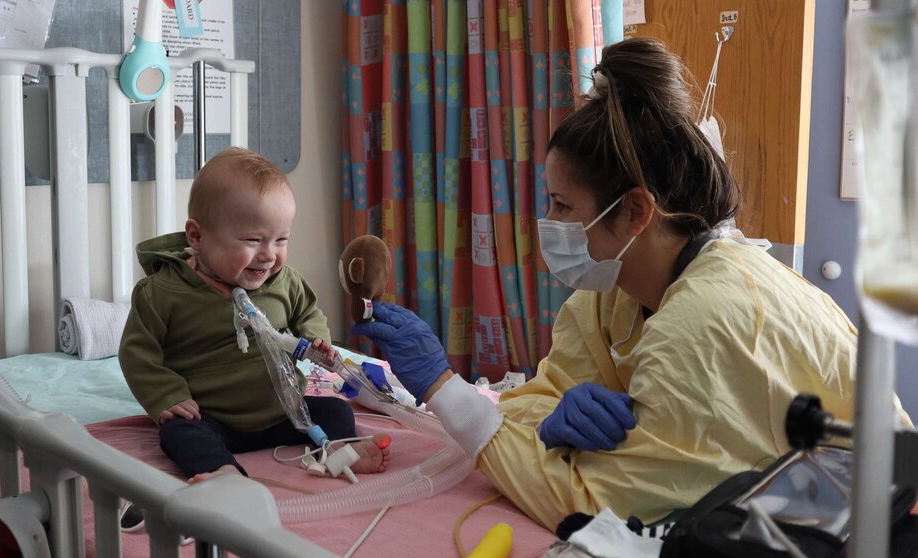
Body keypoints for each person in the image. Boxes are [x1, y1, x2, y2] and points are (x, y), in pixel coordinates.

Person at [351, 37, 912, 530]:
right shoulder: (614, 296)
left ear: (636, 212)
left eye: (562, 205)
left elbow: (595, 507)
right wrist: (551, 418)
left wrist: (445, 389)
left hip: (860, 525)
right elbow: (539, 394)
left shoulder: (708, 316)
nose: (546, 223)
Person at [119, 147, 390, 484]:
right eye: (253, 240)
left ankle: (338, 450)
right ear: (197, 236)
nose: (269, 255)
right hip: (212, 416)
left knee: (334, 409)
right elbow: (137, 353)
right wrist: (167, 396)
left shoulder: (284, 281)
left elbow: (308, 310)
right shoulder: (162, 293)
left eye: (281, 240)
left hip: (285, 412)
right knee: (178, 432)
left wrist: (315, 336)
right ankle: (223, 472)